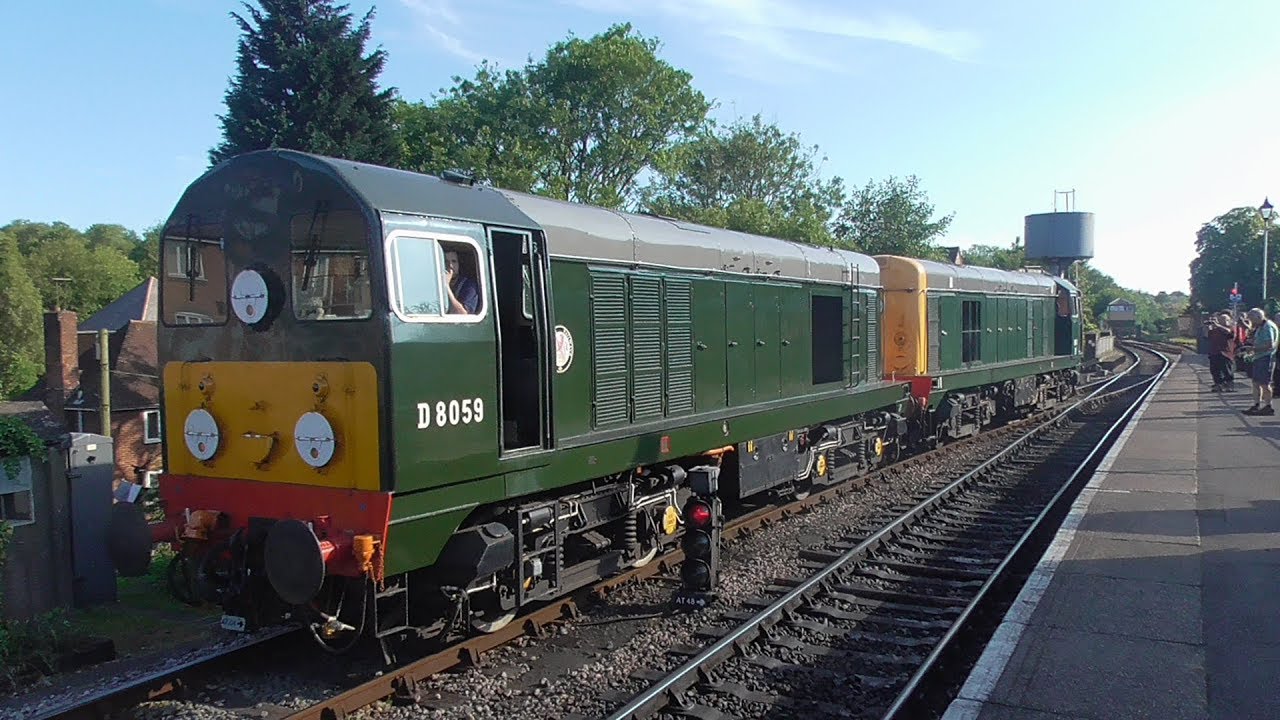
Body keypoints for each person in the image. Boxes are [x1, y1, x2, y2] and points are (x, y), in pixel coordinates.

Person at [1242, 307, 1277, 415]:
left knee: (1265, 383)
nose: (1251, 322)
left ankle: (1268, 406)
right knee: (1256, 382)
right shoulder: (1261, 327)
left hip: (1266, 357)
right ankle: (1256, 405)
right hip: (1259, 357)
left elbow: (1269, 345)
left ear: (1258, 317)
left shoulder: (1267, 327)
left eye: (1252, 319)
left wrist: (1253, 349)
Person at [443, 249, 480, 314]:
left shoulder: (469, 285)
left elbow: (462, 314)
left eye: (454, 261)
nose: (450, 266)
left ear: (459, 264)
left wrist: (446, 286)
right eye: (446, 262)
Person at [1206, 312, 1237, 391]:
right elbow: (1208, 336)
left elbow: (1229, 333)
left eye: (1224, 319)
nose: (1222, 321)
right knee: (1215, 370)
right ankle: (1218, 384)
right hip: (1214, 352)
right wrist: (1209, 327)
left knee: (1227, 370)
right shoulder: (1215, 329)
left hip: (1226, 352)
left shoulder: (1230, 328)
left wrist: (1218, 325)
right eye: (1220, 319)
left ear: (1228, 320)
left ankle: (1229, 385)